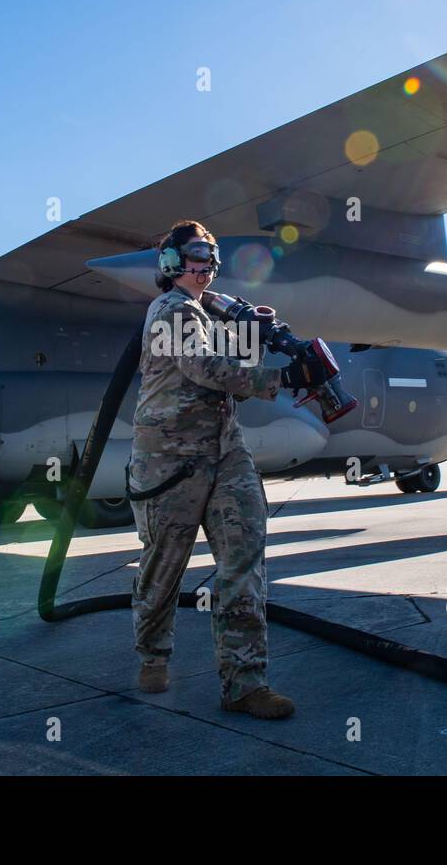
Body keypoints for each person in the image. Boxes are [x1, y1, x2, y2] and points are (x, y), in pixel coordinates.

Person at [126, 219, 329, 719]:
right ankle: (153, 656)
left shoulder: (205, 315)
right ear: (171, 262)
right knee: (163, 567)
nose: (208, 265)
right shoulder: (170, 310)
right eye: (197, 254)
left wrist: (254, 336)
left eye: (213, 256)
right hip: (170, 460)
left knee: (243, 562)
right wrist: (285, 377)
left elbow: (229, 368)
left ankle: (245, 683)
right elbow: (204, 368)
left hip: (225, 453)